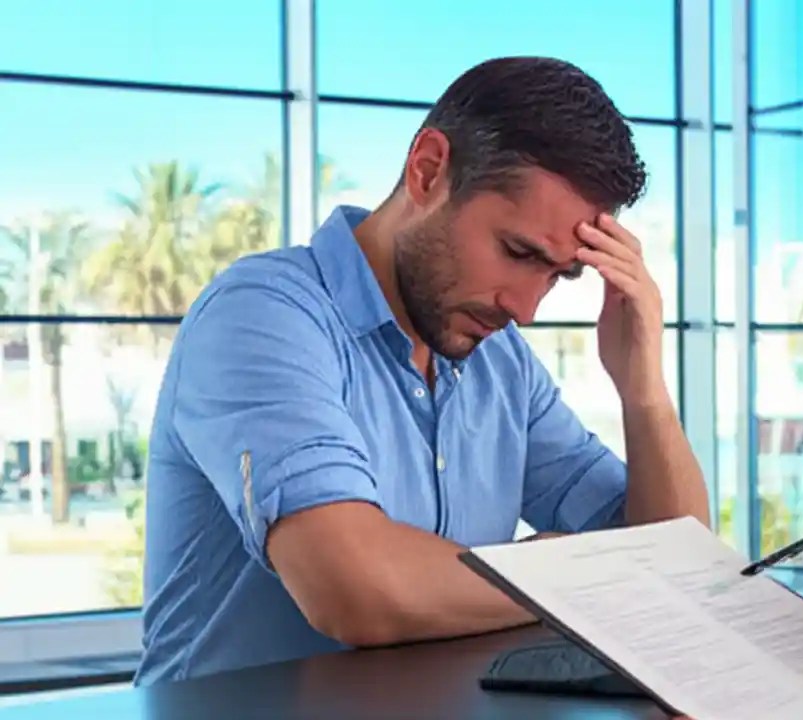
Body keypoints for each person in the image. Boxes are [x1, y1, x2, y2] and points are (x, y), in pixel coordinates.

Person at [134, 56, 710, 686]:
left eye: (557, 274)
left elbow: (674, 566)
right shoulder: (261, 314)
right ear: (429, 170)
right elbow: (353, 590)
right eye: (517, 252)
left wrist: (643, 389)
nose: (525, 308)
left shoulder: (499, 361)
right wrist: (573, 574)